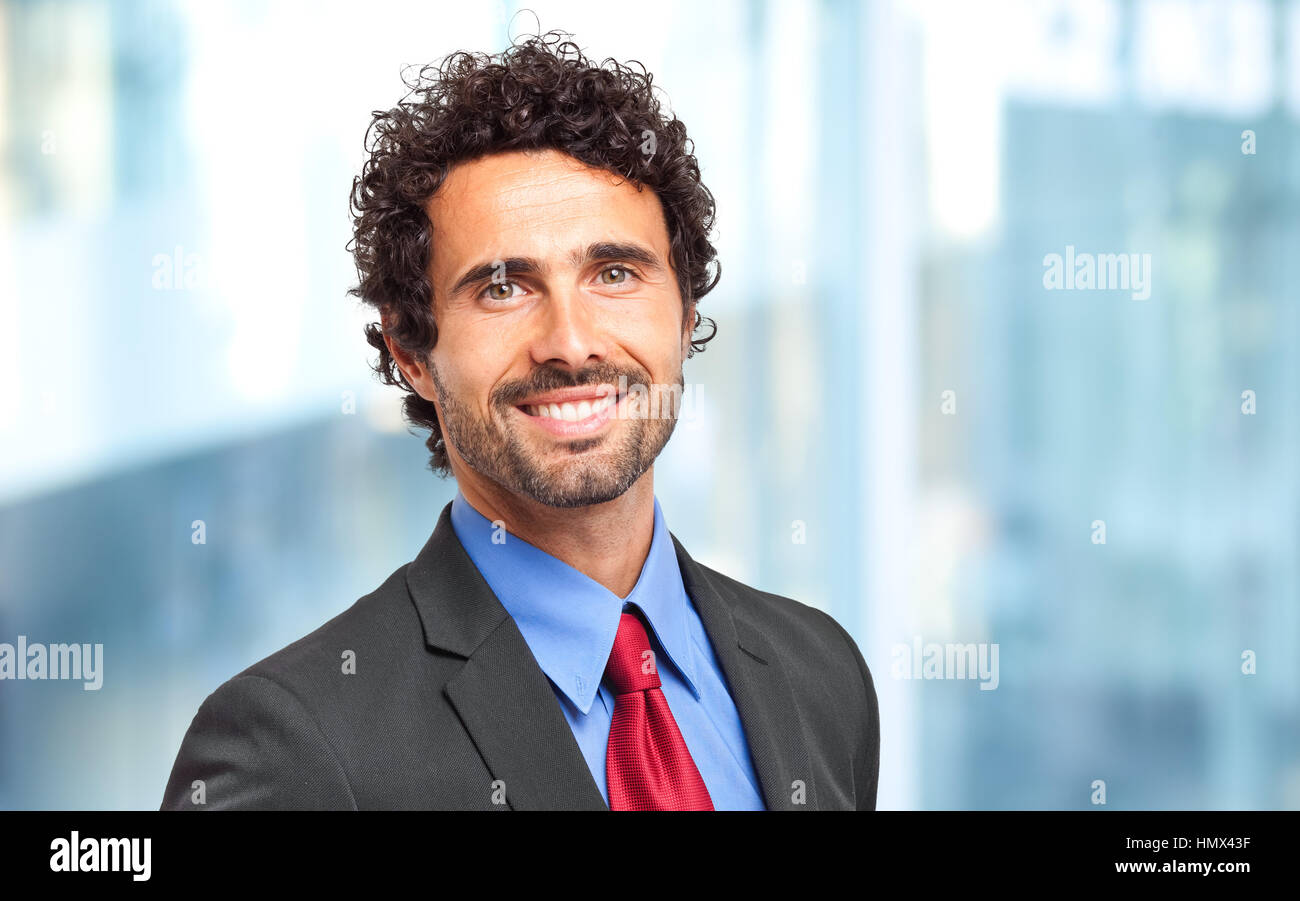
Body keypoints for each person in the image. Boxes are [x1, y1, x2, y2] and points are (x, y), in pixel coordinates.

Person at [161, 31, 878, 811]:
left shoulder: (820, 673)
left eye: (613, 273)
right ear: (410, 348)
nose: (570, 343)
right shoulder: (294, 746)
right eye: (503, 288)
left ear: (685, 314)